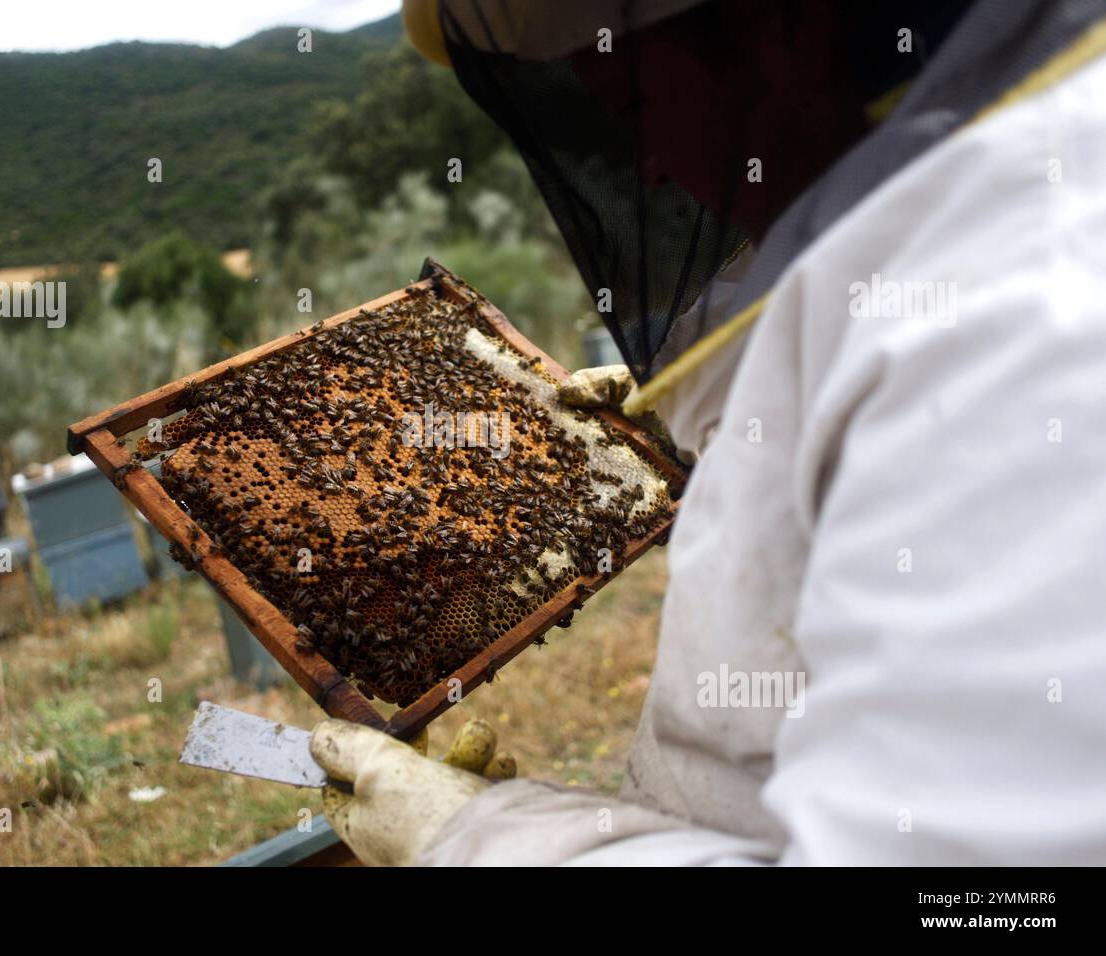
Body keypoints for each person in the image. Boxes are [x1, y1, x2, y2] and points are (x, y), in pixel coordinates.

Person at [308, 0, 1106, 865]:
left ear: (789, 29)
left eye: (637, 111)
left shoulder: (1020, 324)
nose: (647, 173)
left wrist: (481, 842)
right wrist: (721, 429)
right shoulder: (976, 233)